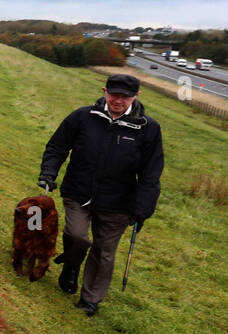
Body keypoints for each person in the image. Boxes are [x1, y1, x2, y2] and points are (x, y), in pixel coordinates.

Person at [37, 74, 165, 316]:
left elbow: (151, 173)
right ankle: (72, 264)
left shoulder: (148, 129)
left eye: (125, 97)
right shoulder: (83, 117)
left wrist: (143, 208)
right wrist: (48, 173)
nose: (118, 100)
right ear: (104, 91)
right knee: (78, 236)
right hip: (78, 191)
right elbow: (57, 146)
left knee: (104, 252)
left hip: (119, 203)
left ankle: (90, 299)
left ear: (136, 96)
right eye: (113, 94)